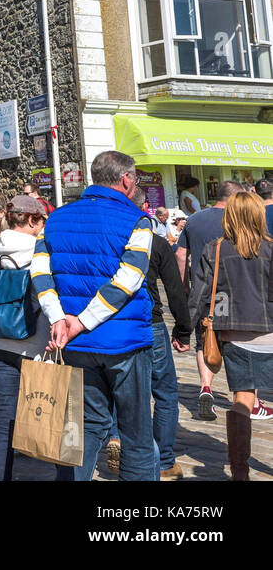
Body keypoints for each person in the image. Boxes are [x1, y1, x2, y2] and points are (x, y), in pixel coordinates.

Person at [30, 150, 156, 482]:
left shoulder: (56, 218)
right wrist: (82, 321)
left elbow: (40, 273)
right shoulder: (137, 220)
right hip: (122, 341)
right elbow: (128, 280)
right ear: (126, 180)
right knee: (137, 435)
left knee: (84, 429)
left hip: (74, 342)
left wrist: (60, 319)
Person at [189, 191, 273, 480]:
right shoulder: (271, 249)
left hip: (235, 335)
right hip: (271, 332)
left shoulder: (215, 249)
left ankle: (239, 471)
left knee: (242, 399)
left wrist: (187, 330)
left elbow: (199, 295)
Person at [0, 194, 51, 481]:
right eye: (41, 219)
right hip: (40, 344)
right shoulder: (42, 247)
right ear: (31, 219)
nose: (43, 225)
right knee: (52, 413)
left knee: (3, 417)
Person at [114, 188, 192, 480]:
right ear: (145, 207)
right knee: (165, 391)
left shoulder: (112, 237)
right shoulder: (157, 243)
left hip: (112, 320)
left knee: (117, 388)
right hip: (150, 321)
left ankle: (118, 441)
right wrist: (183, 330)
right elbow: (175, 290)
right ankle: (164, 460)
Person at [178, 180, 242, 420]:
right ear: (235, 197)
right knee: (237, 344)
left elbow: (181, 255)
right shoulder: (238, 220)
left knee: (203, 341)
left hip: (203, 290)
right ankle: (248, 399)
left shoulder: (194, 220)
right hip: (235, 293)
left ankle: (206, 388)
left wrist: (184, 285)